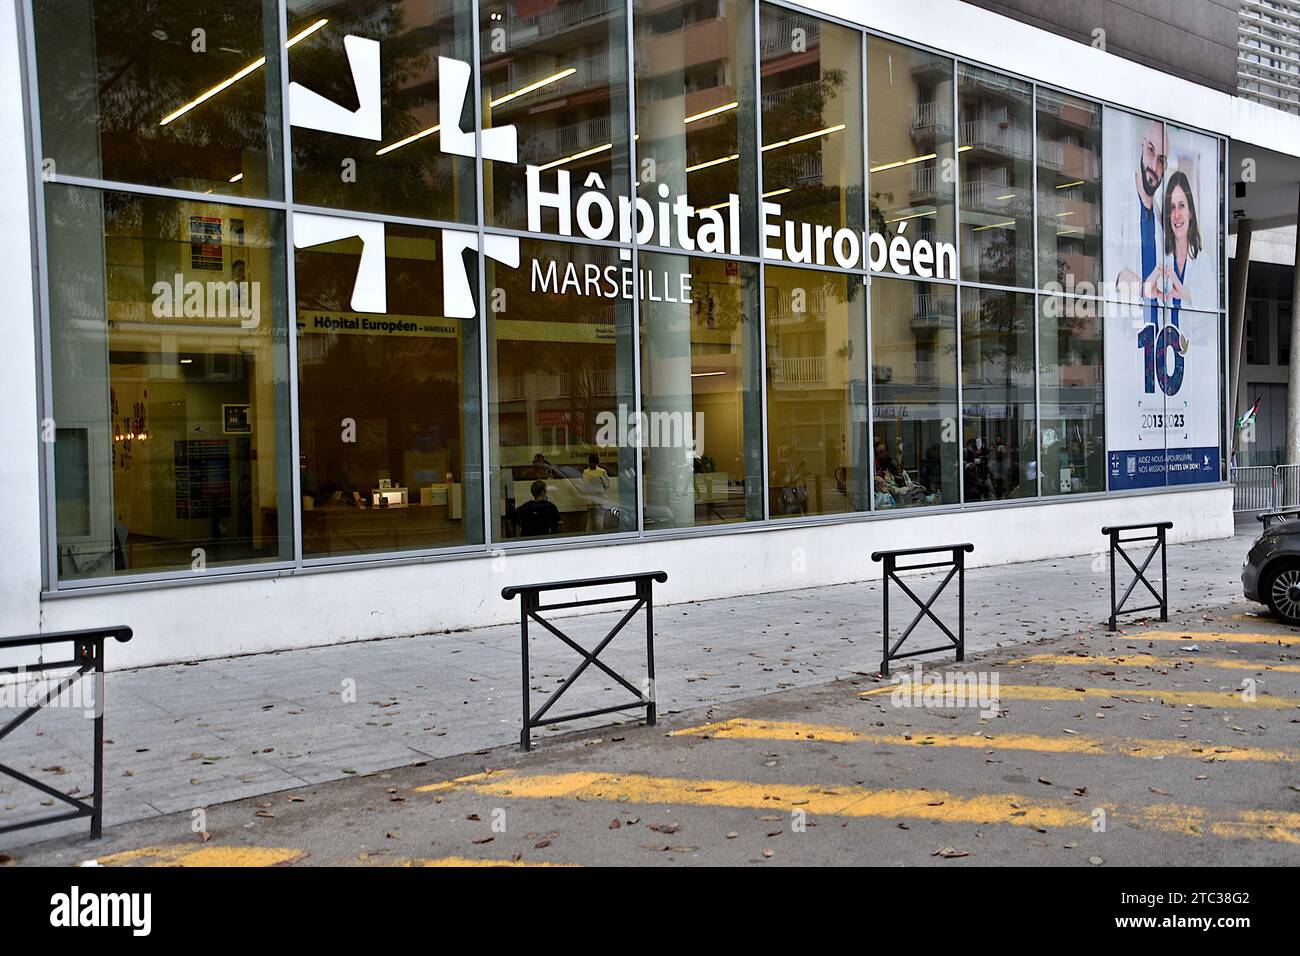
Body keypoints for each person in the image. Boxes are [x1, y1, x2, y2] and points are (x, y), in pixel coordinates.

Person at [1111, 119, 1166, 326]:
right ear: (1142, 146)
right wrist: (1142, 288)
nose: (1155, 166)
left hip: (1158, 329)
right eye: (1151, 151)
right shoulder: (1118, 197)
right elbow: (1109, 257)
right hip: (1127, 328)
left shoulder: (1162, 217)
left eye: (1162, 160)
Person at [1162, 169, 1209, 339]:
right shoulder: (1162, 258)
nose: (1176, 215)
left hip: (1193, 349)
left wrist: (1184, 292)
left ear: (1190, 212)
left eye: (1181, 206)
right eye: (1172, 208)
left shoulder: (1202, 261)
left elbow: (1211, 302)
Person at [581, 453, 610, 531]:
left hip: (589, 499)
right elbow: (607, 485)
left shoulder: (585, 472)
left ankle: (588, 536)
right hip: (599, 498)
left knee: (590, 520)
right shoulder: (601, 471)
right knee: (599, 520)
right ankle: (599, 536)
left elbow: (584, 486)